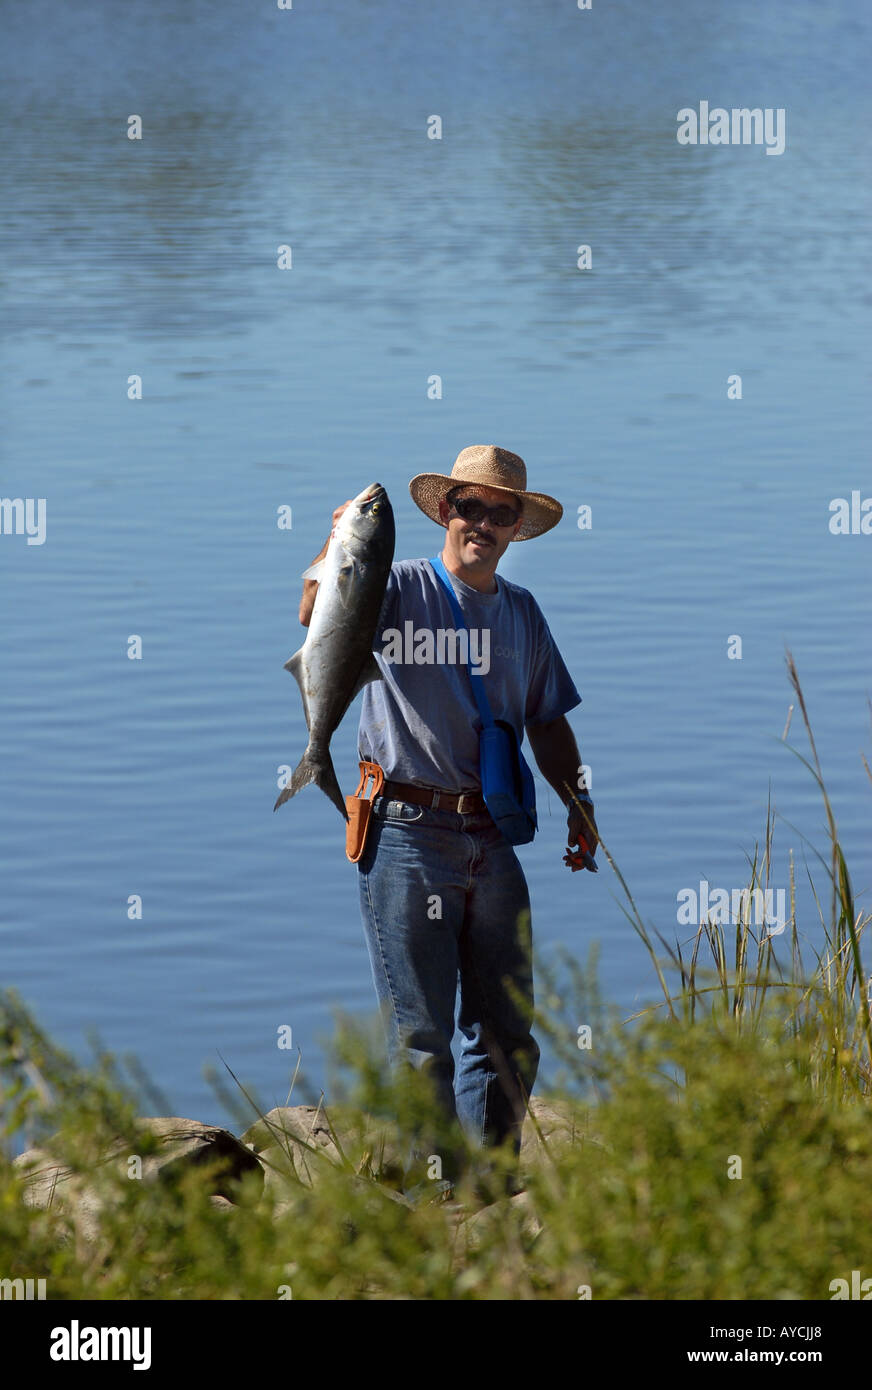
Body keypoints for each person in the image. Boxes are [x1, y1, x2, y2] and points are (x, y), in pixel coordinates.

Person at [298, 444, 597, 1203]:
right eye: (471, 507)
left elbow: (549, 723)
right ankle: (426, 1200)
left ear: (516, 528)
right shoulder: (394, 588)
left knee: (505, 1030)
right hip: (404, 831)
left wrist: (580, 805)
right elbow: (314, 612)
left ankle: (489, 1189)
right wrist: (337, 541)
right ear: (444, 512)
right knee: (420, 1036)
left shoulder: (523, 614)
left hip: (491, 839)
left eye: (502, 514)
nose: (484, 524)